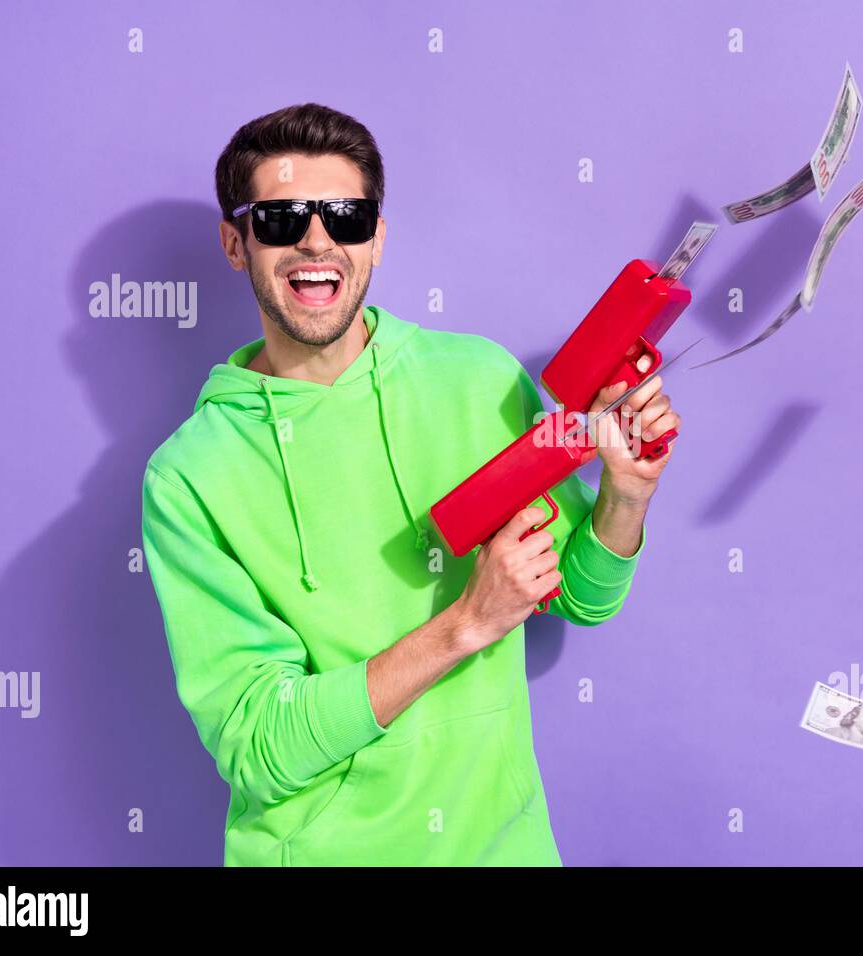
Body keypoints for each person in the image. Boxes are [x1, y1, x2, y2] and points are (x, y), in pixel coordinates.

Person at [140, 103, 681, 866]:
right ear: (237, 243)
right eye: (282, 217)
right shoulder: (190, 476)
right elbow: (259, 750)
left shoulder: (479, 379)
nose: (316, 239)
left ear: (378, 238)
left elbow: (583, 601)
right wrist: (466, 623)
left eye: (345, 216)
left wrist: (627, 494)